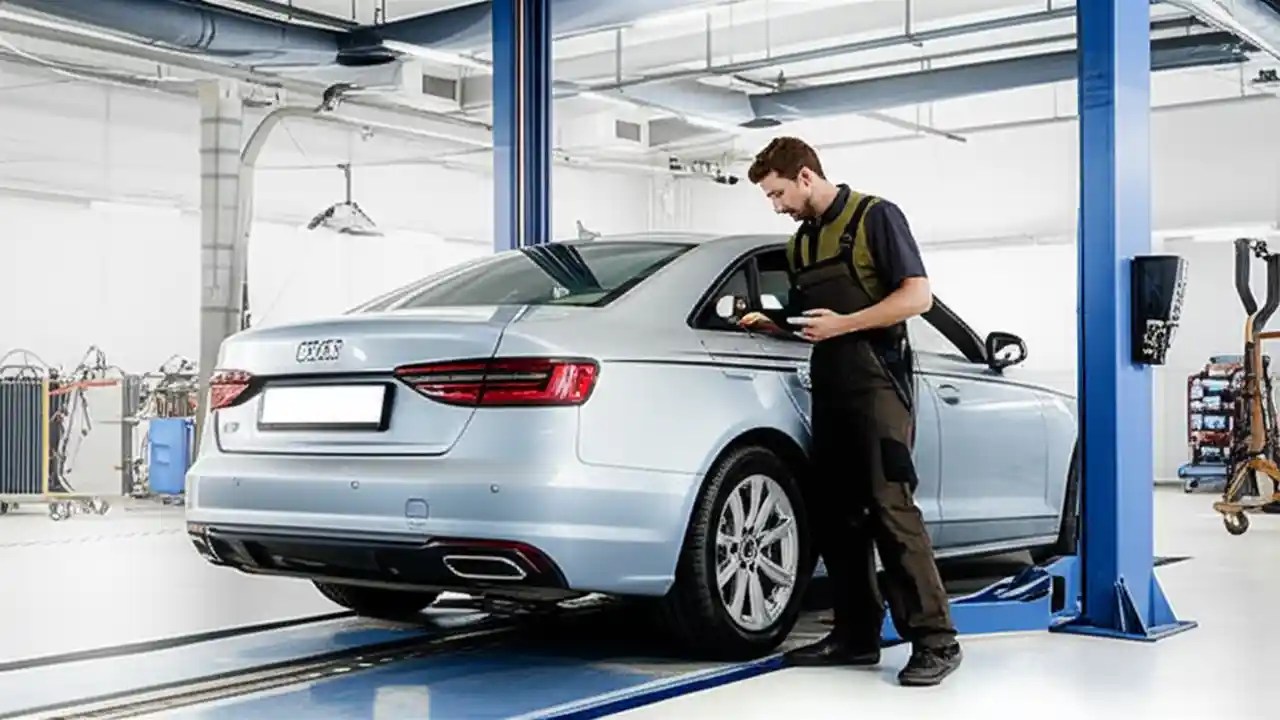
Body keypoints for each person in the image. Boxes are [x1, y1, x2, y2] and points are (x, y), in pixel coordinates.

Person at [739, 136, 962, 687]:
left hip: (879, 384)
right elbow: (811, 320)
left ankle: (936, 641)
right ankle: (856, 635)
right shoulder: (801, 243)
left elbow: (917, 297)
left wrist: (844, 324)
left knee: (890, 507)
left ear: (806, 176)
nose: (777, 206)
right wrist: (774, 326)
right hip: (831, 386)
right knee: (838, 514)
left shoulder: (875, 217)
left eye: (778, 194)